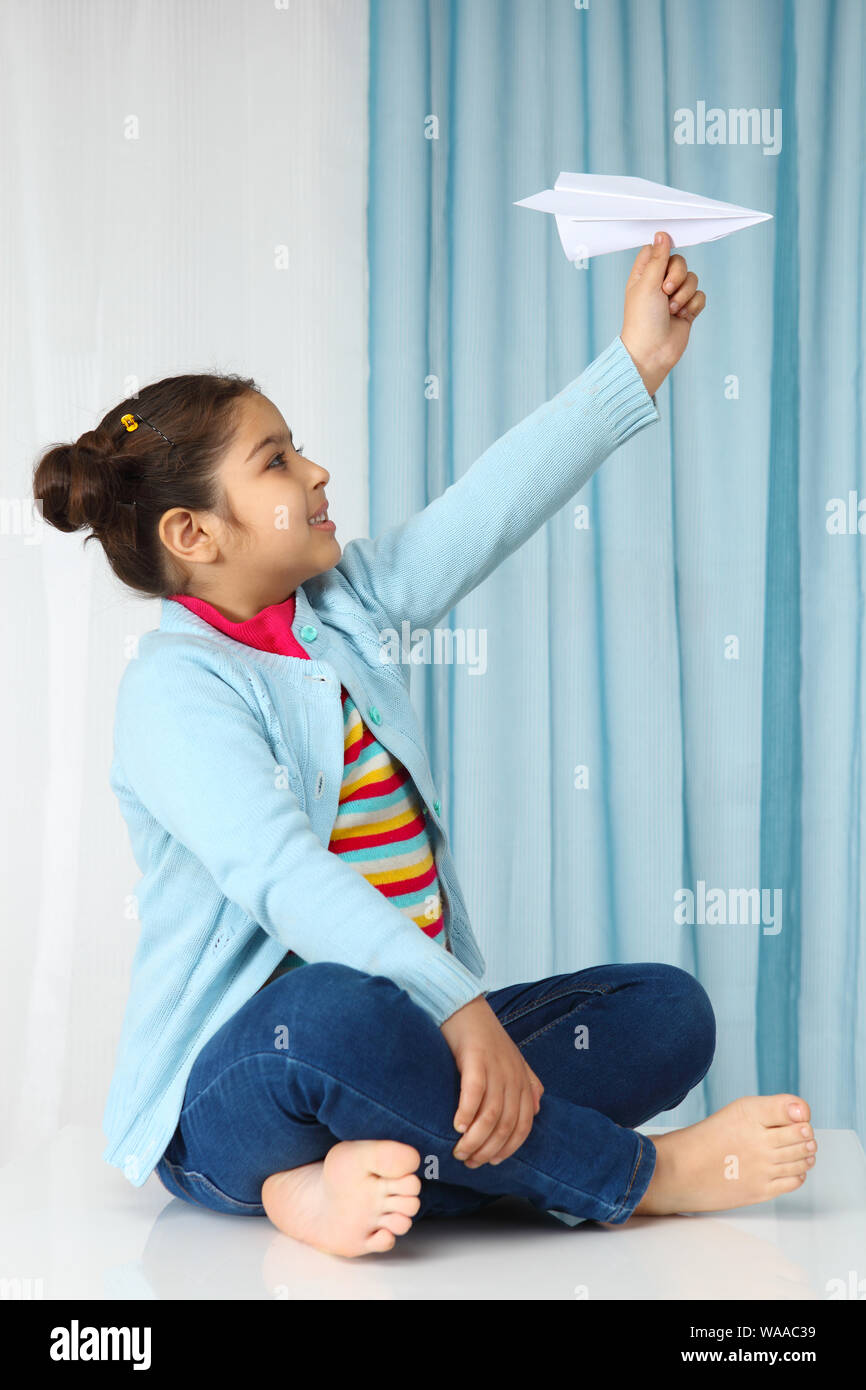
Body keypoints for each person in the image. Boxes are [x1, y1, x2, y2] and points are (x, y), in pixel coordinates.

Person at [33, 231, 816, 1258]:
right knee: (331, 1016)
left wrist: (637, 361)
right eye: (276, 460)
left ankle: (338, 1179)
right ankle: (639, 1174)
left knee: (666, 1012)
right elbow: (282, 875)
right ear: (195, 533)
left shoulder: (343, 607)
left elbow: (487, 508)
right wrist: (457, 1006)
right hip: (240, 1088)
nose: (315, 471)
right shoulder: (173, 695)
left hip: (409, 1050)